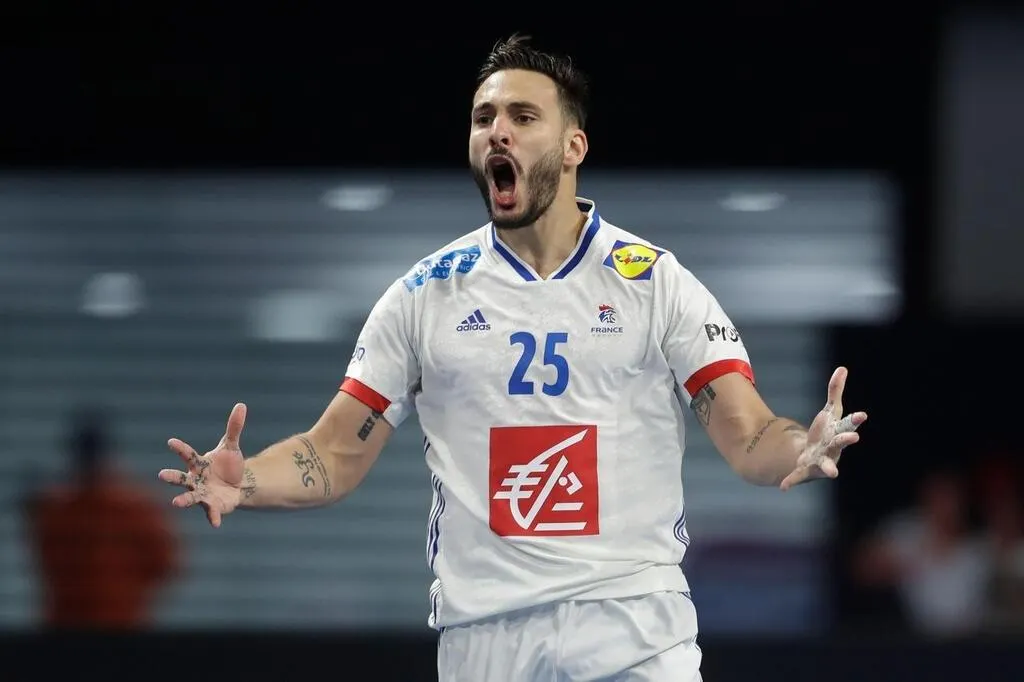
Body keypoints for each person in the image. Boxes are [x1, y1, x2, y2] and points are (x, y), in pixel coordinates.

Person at [159, 35, 867, 681]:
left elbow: (748, 433)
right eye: (484, 117)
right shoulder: (423, 295)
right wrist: (247, 481)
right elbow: (333, 452)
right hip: (484, 639)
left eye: (523, 116)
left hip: (632, 629)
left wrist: (799, 446)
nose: (497, 129)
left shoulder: (655, 282)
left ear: (573, 146)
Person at [28, 408, 179, 629]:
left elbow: (164, 563)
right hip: (77, 624)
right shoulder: (60, 510)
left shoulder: (133, 510)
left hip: (114, 623)